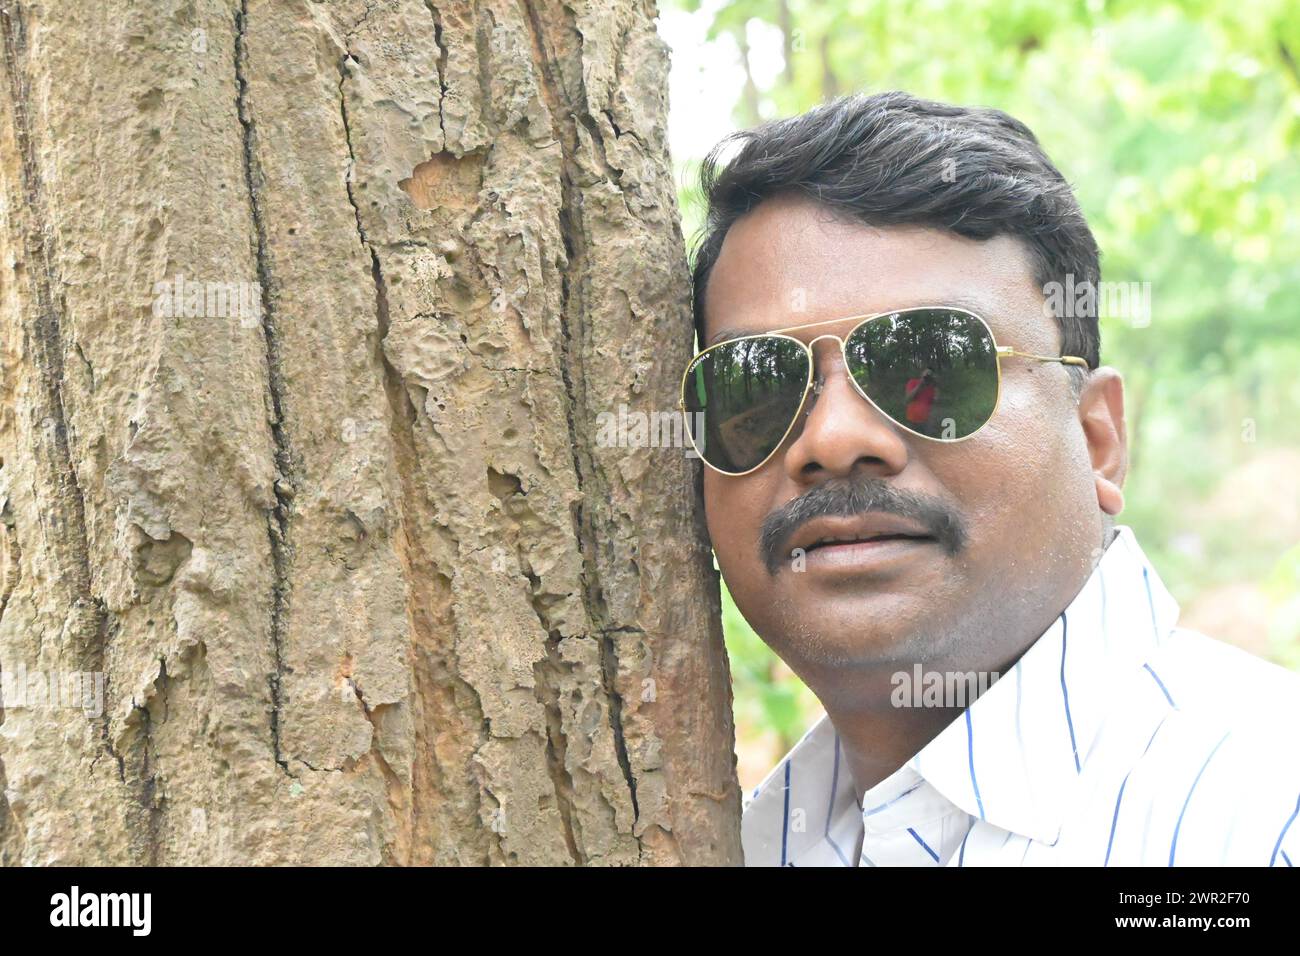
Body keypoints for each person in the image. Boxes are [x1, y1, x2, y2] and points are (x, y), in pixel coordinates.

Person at [685, 91, 1300, 866]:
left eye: (933, 367)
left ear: (1097, 438)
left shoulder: (1268, 815)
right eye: (757, 385)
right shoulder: (731, 842)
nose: (833, 439)